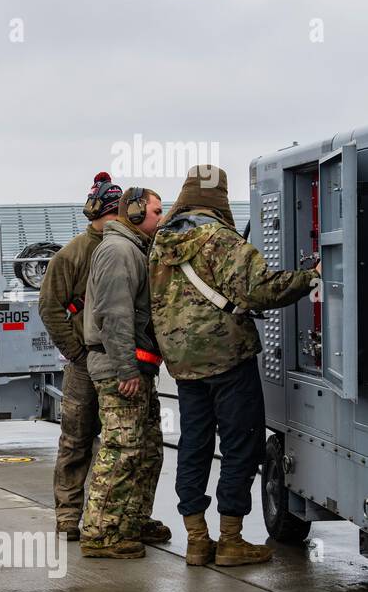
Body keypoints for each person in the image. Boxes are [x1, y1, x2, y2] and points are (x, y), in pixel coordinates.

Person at [149, 165, 320, 566]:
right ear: (219, 196)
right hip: (228, 360)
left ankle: (196, 540)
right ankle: (231, 540)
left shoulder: (161, 242)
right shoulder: (220, 239)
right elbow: (260, 290)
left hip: (184, 366)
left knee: (193, 447)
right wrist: (309, 278)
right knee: (241, 446)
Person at [81, 186, 169, 559]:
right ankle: (101, 532)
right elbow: (113, 315)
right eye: (156, 211)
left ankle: (129, 520)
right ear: (133, 214)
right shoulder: (119, 251)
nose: (161, 218)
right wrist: (126, 368)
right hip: (121, 366)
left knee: (146, 449)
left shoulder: (133, 249)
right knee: (121, 449)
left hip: (135, 364)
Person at [39, 173, 123, 541]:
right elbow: (50, 307)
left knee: (120, 442)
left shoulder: (127, 248)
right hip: (86, 363)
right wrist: (75, 352)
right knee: (76, 439)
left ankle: (107, 516)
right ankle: (69, 517)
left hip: (118, 359)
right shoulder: (71, 255)